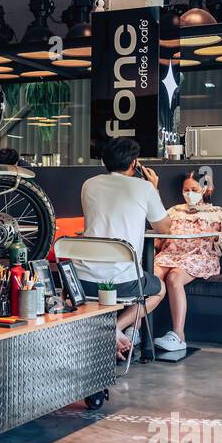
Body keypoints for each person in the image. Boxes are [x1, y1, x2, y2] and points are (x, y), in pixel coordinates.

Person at [78, 138, 172, 358]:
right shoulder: (144, 187)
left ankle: (114, 332)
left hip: (83, 282)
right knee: (159, 290)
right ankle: (115, 328)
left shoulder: (89, 184)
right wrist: (154, 189)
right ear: (134, 164)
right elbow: (164, 227)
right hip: (124, 283)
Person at [151, 171, 222, 352]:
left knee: (174, 278)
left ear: (205, 189)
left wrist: (216, 237)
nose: (189, 193)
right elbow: (161, 237)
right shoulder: (174, 211)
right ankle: (135, 330)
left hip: (200, 256)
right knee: (151, 277)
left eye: (194, 189)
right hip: (170, 254)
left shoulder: (216, 213)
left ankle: (178, 335)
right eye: (186, 190)